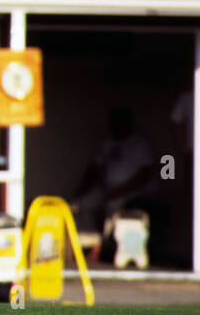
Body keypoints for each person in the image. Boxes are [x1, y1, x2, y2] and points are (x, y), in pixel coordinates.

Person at [71, 106, 165, 259]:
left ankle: (102, 249)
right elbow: (94, 168)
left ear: (128, 124)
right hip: (107, 189)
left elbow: (144, 175)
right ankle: (90, 243)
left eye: (120, 122)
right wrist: (82, 188)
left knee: (111, 207)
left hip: (131, 192)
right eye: (113, 123)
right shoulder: (108, 142)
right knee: (79, 205)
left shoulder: (139, 144)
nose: (116, 126)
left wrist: (120, 191)